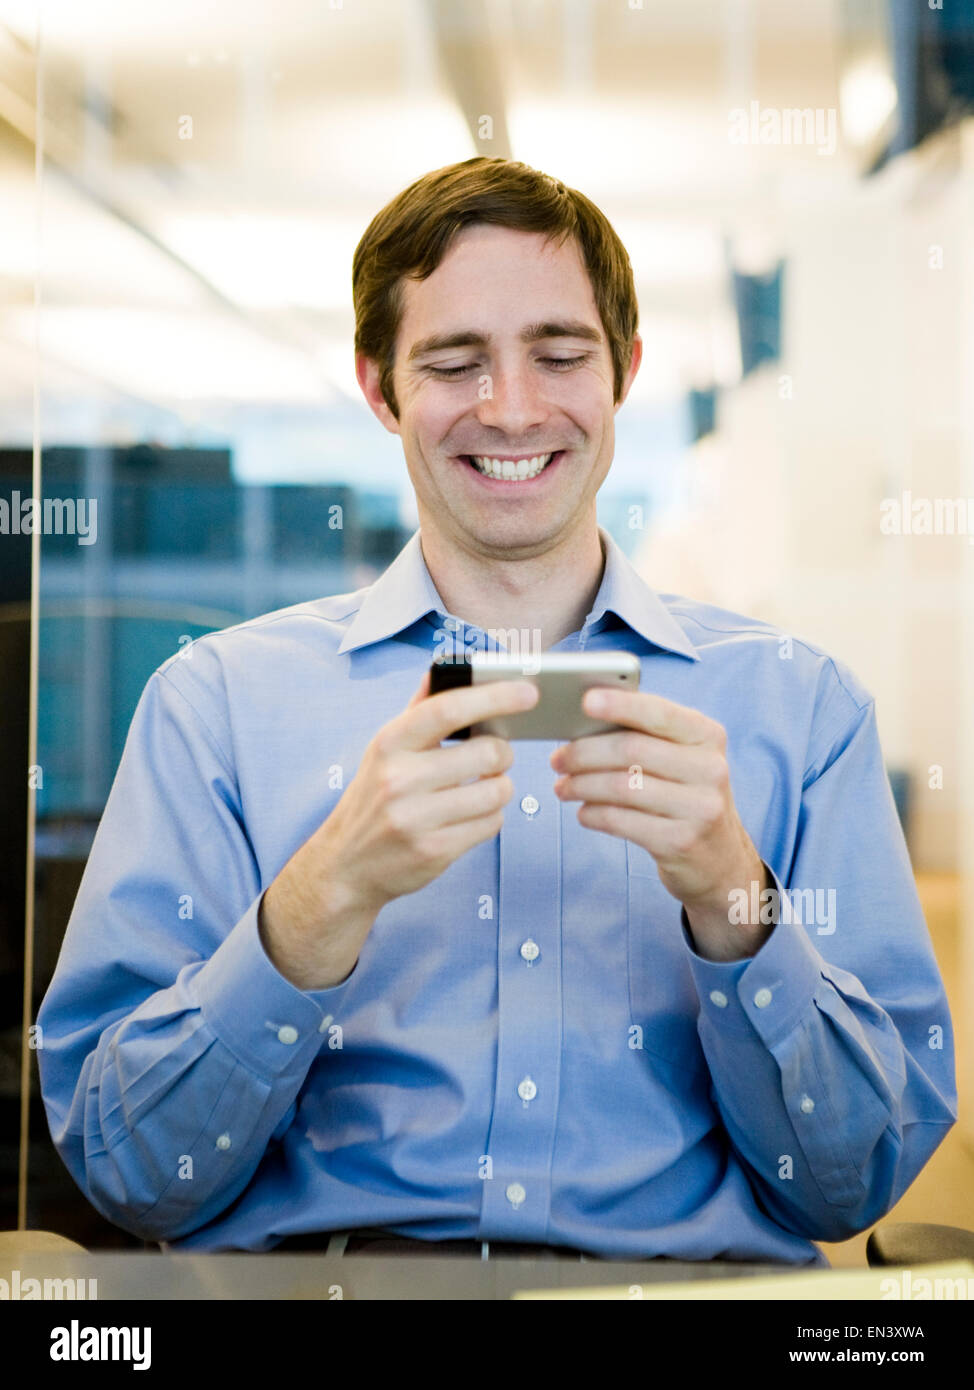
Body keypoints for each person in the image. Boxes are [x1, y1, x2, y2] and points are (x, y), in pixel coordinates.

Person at [38, 158, 956, 1263]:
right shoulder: (215, 707)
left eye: (559, 355)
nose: (510, 407)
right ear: (378, 388)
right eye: (453, 361)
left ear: (623, 371)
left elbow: (851, 1181)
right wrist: (322, 897)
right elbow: (132, 1174)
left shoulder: (799, 708)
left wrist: (736, 901)